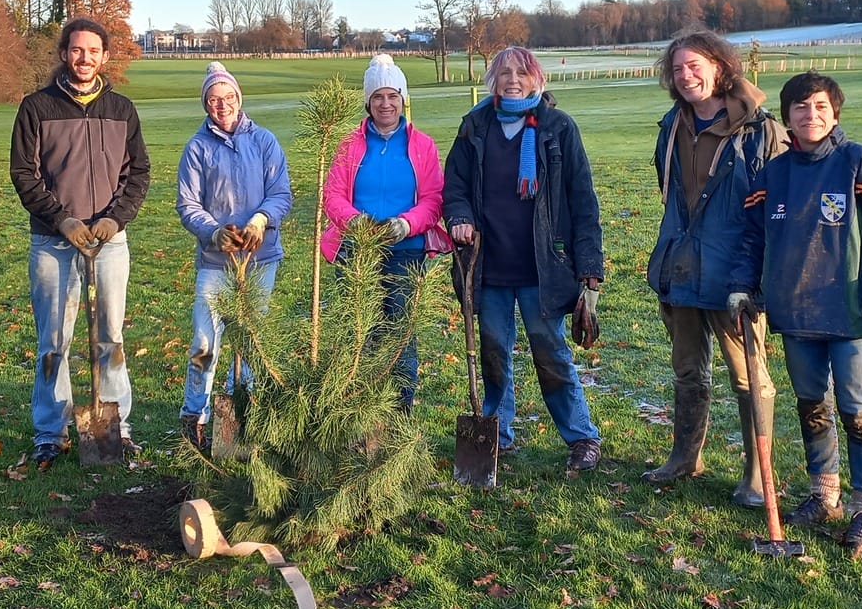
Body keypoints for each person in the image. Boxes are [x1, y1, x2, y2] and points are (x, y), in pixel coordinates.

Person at [728, 71, 862, 560]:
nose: (810, 115)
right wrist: (742, 289)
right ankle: (824, 495)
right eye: (800, 108)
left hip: (854, 317)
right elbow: (752, 240)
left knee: (858, 414)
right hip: (795, 315)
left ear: (834, 113)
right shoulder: (774, 175)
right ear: (787, 116)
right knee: (811, 407)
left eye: (820, 107)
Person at [441, 47, 605, 475]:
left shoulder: (558, 128)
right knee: (493, 354)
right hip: (489, 266)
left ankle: (582, 437)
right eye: (504, 72)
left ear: (536, 78)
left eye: (522, 72)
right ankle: (498, 433)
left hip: (543, 268)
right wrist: (459, 218)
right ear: (492, 78)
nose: (513, 79)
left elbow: (583, 200)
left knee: (551, 353)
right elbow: (454, 184)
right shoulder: (475, 126)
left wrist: (589, 271)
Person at [642, 30, 788, 501]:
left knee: (748, 376)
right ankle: (686, 456)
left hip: (735, 275)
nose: (686, 76)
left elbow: (776, 209)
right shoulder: (671, 126)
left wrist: (759, 277)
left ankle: (757, 473)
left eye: (695, 65)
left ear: (720, 67)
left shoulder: (760, 130)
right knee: (687, 370)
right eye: (678, 69)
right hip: (681, 268)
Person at [9, 16, 151, 465]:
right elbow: (23, 174)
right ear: (64, 53)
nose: (84, 58)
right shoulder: (37, 107)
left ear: (105, 56)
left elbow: (138, 173)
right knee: (54, 339)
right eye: (76, 50)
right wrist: (61, 220)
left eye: (93, 51)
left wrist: (115, 219)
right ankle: (50, 432)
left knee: (110, 335)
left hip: (108, 244)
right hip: (53, 244)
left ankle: (117, 427)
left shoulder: (122, 109)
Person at [175, 62, 293, 450]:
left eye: (228, 97)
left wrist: (260, 221)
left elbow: (280, 193)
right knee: (205, 342)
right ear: (205, 105)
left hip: (260, 259)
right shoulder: (196, 148)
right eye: (213, 99)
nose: (221, 105)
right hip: (216, 262)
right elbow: (188, 204)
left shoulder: (264, 142)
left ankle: (241, 412)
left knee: (251, 340)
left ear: (239, 99)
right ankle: (195, 415)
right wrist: (214, 231)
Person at [320, 53, 445, 407]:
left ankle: (397, 414)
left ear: (402, 98)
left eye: (392, 96)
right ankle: (359, 413)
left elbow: (434, 199)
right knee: (359, 334)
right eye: (377, 97)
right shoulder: (349, 145)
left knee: (399, 337)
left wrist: (404, 224)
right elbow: (332, 195)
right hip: (357, 250)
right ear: (368, 102)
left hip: (405, 250)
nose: (385, 104)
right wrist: (356, 223)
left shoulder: (422, 145)